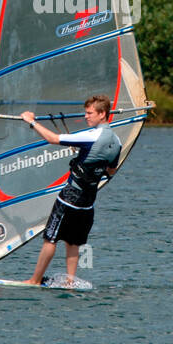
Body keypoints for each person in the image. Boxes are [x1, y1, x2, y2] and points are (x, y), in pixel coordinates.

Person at [20, 95, 120, 286]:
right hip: (88, 203)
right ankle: (70, 281)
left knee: (50, 238)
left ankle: (34, 280)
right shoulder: (116, 141)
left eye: (90, 113)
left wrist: (31, 121)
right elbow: (111, 170)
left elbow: (53, 138)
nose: (86, 116)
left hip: (69, 198)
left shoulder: (91, 135)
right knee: (73, 242)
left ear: (102, 114)